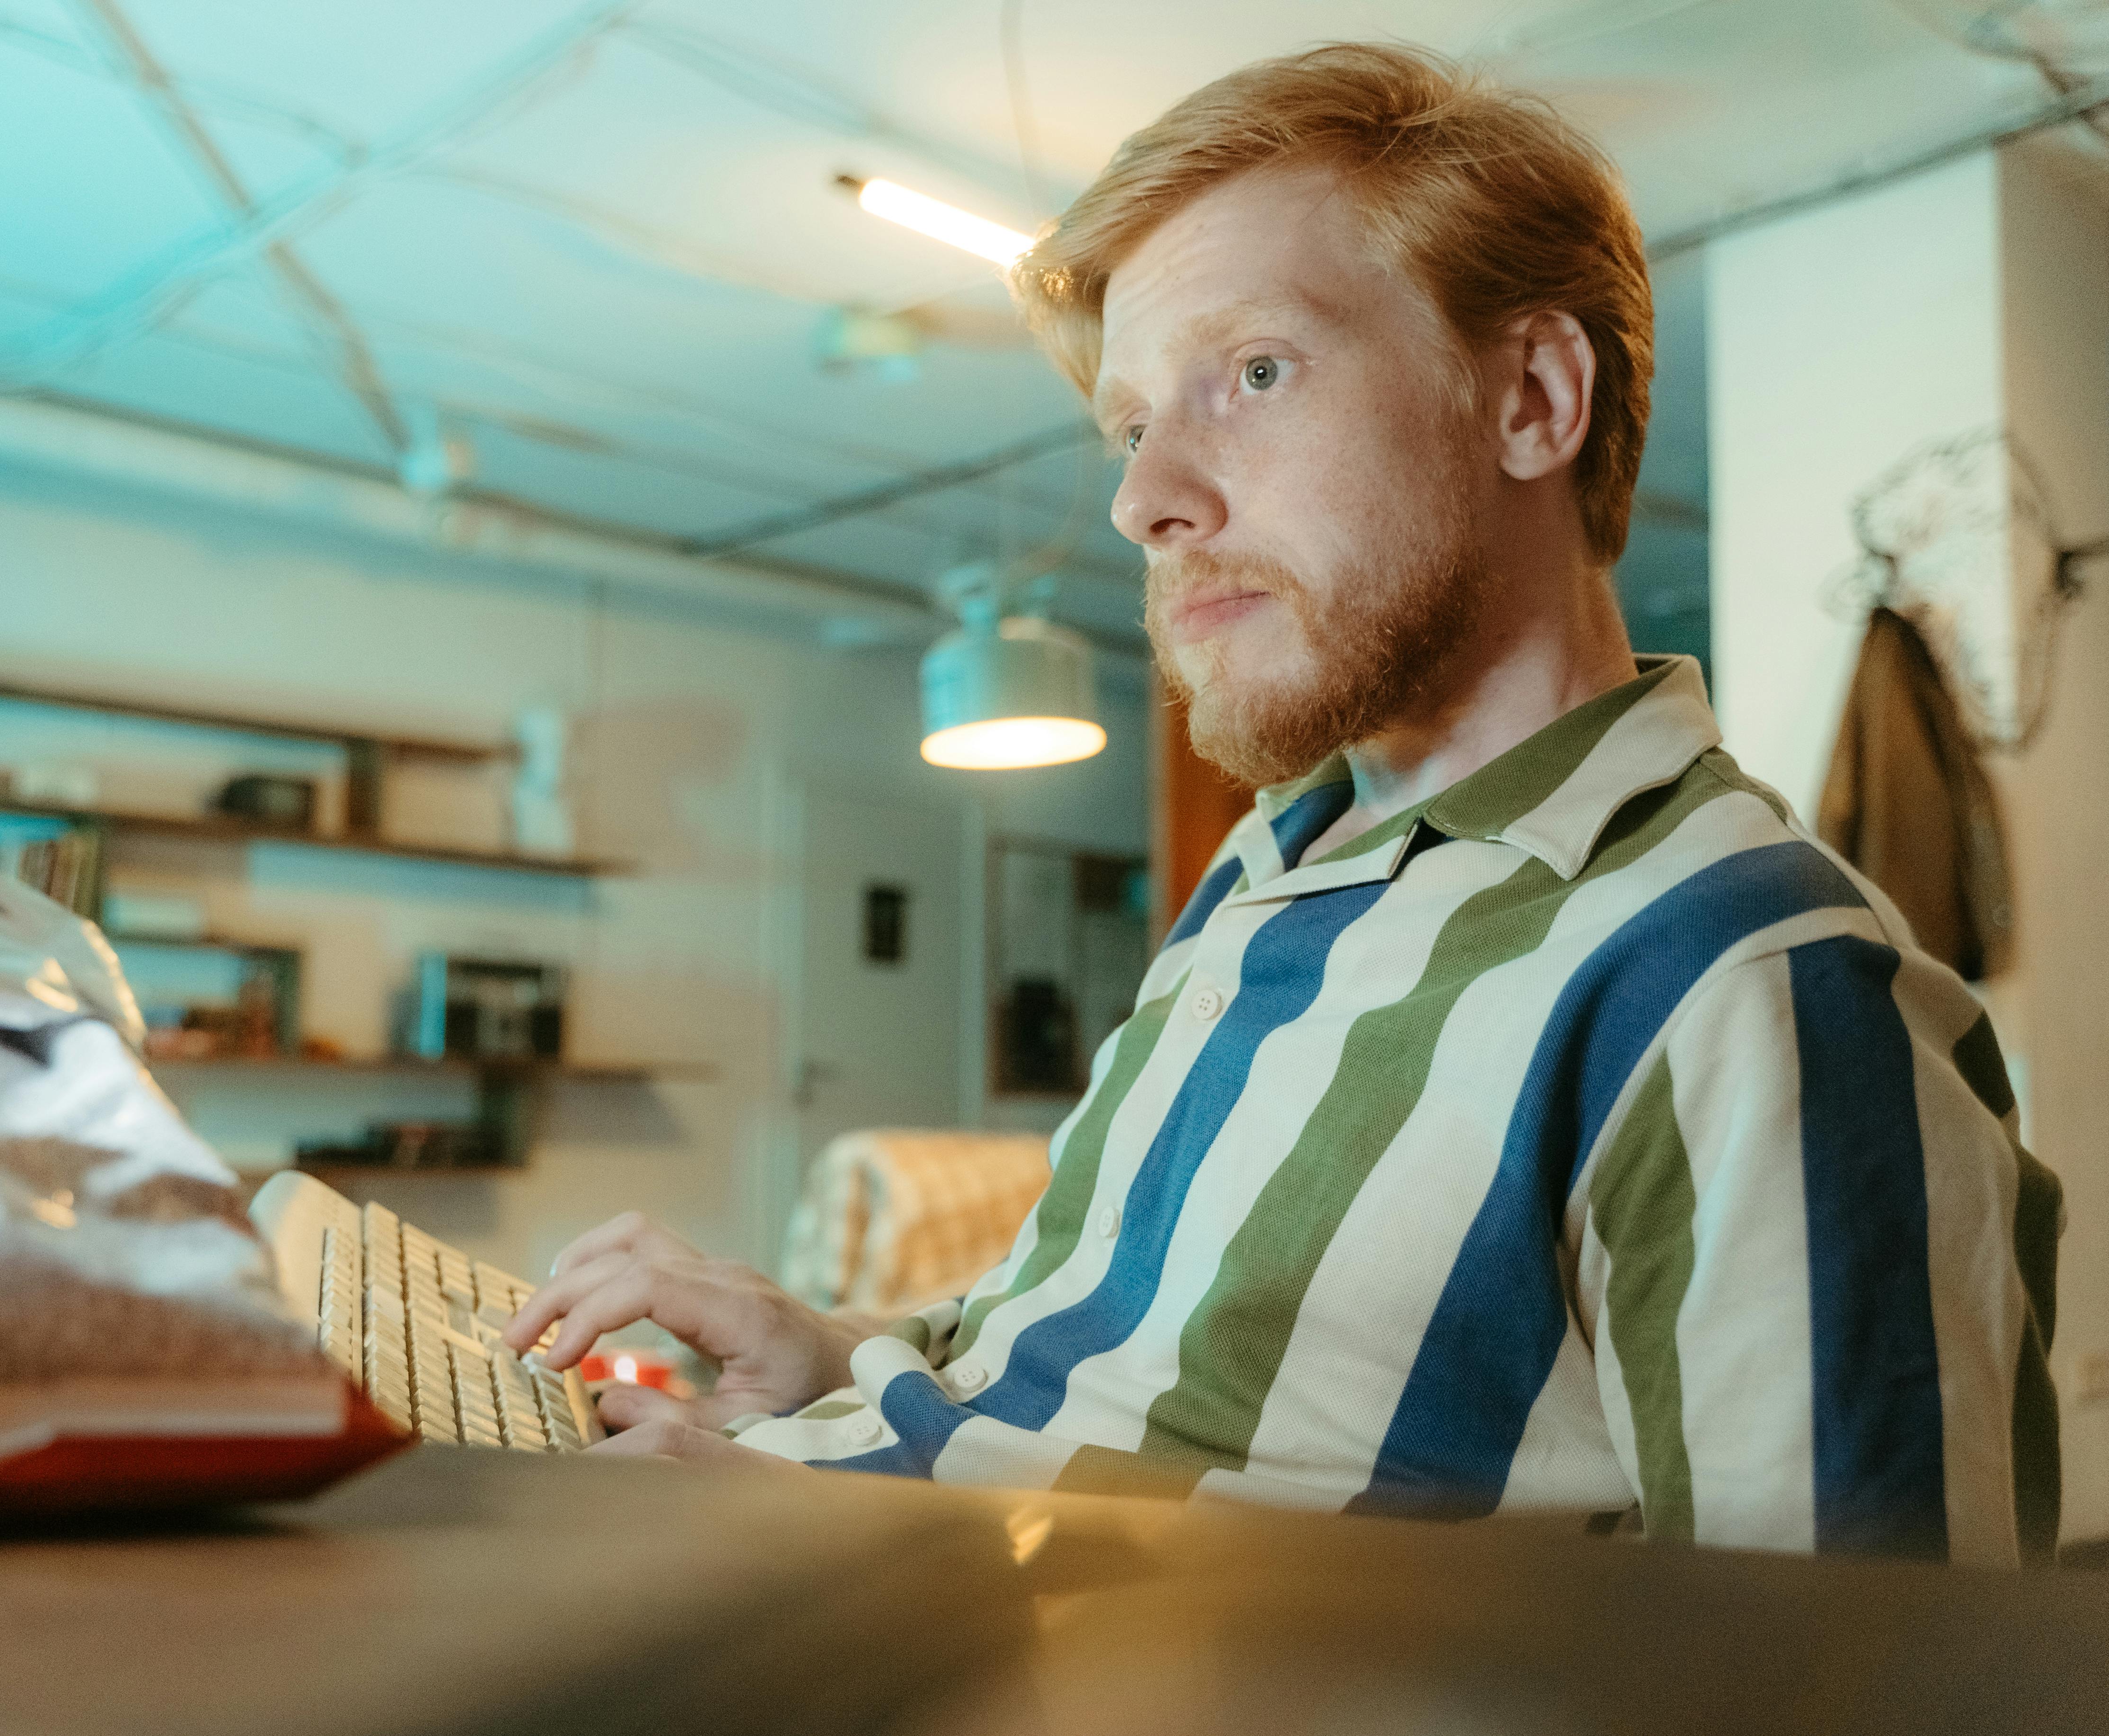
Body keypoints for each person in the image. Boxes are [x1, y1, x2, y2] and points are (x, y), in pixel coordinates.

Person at [502, 42, 2061, 1567]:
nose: (1144, 498)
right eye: (1130, 424)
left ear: (1532, 397)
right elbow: (1134, 1404)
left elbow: (1869, 1691)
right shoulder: (1276, 871)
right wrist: (833, 1361)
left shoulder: (1747, 990)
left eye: (1253, 372)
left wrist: (834, 1539)